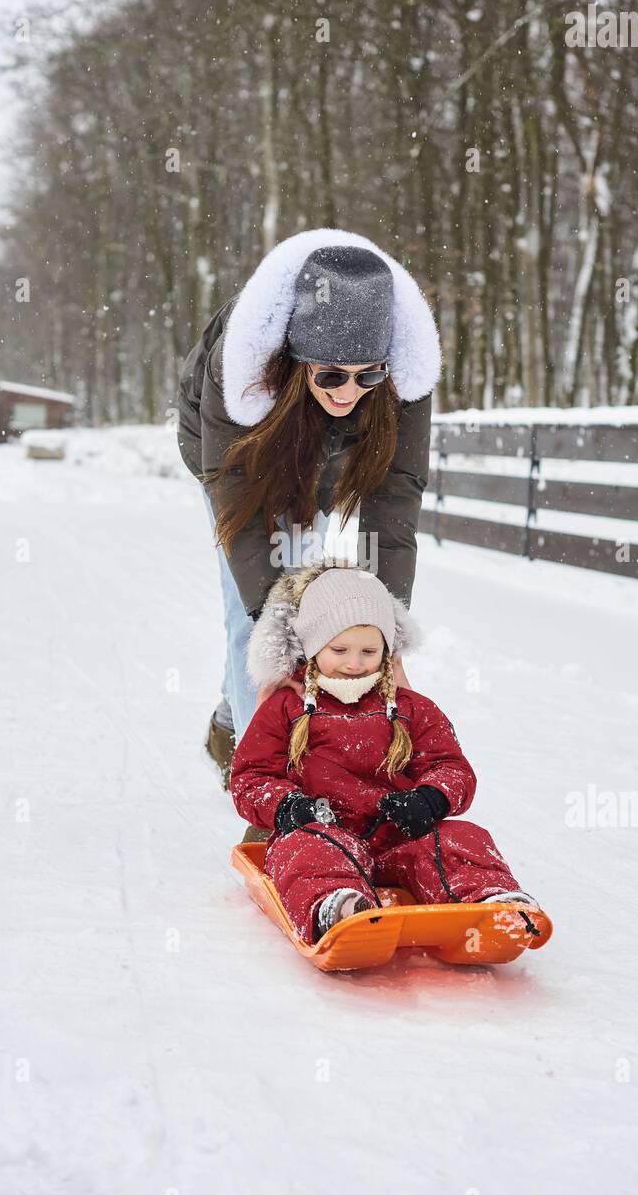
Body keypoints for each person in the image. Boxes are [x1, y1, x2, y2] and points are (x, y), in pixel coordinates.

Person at [175, 228, 440, 783]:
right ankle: (268, 782)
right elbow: (246, 522)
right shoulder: (243, 367)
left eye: (368, 374)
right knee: (266, 615)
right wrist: (275, 635)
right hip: (240, 462)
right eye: (330, 374)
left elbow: (395, 501)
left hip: (324, 462)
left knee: (315, 603)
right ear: (296, 361)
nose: (349, 391)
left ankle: (232, 717)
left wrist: (387, 635)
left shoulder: (405, 372)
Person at [229, 562, 541, 946]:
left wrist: (430, 798)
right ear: (311, 646)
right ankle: (338, 908)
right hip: (324, 830)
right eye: (339, 649)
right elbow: (251, 776)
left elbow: (451, 766)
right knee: (302, 851)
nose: (354, 663)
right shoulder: (286, 707)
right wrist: (288, 807)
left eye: (369, 650)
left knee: (461, 836)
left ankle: (492, 901)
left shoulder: (411, 707)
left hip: (399, 836)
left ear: (387, 651)